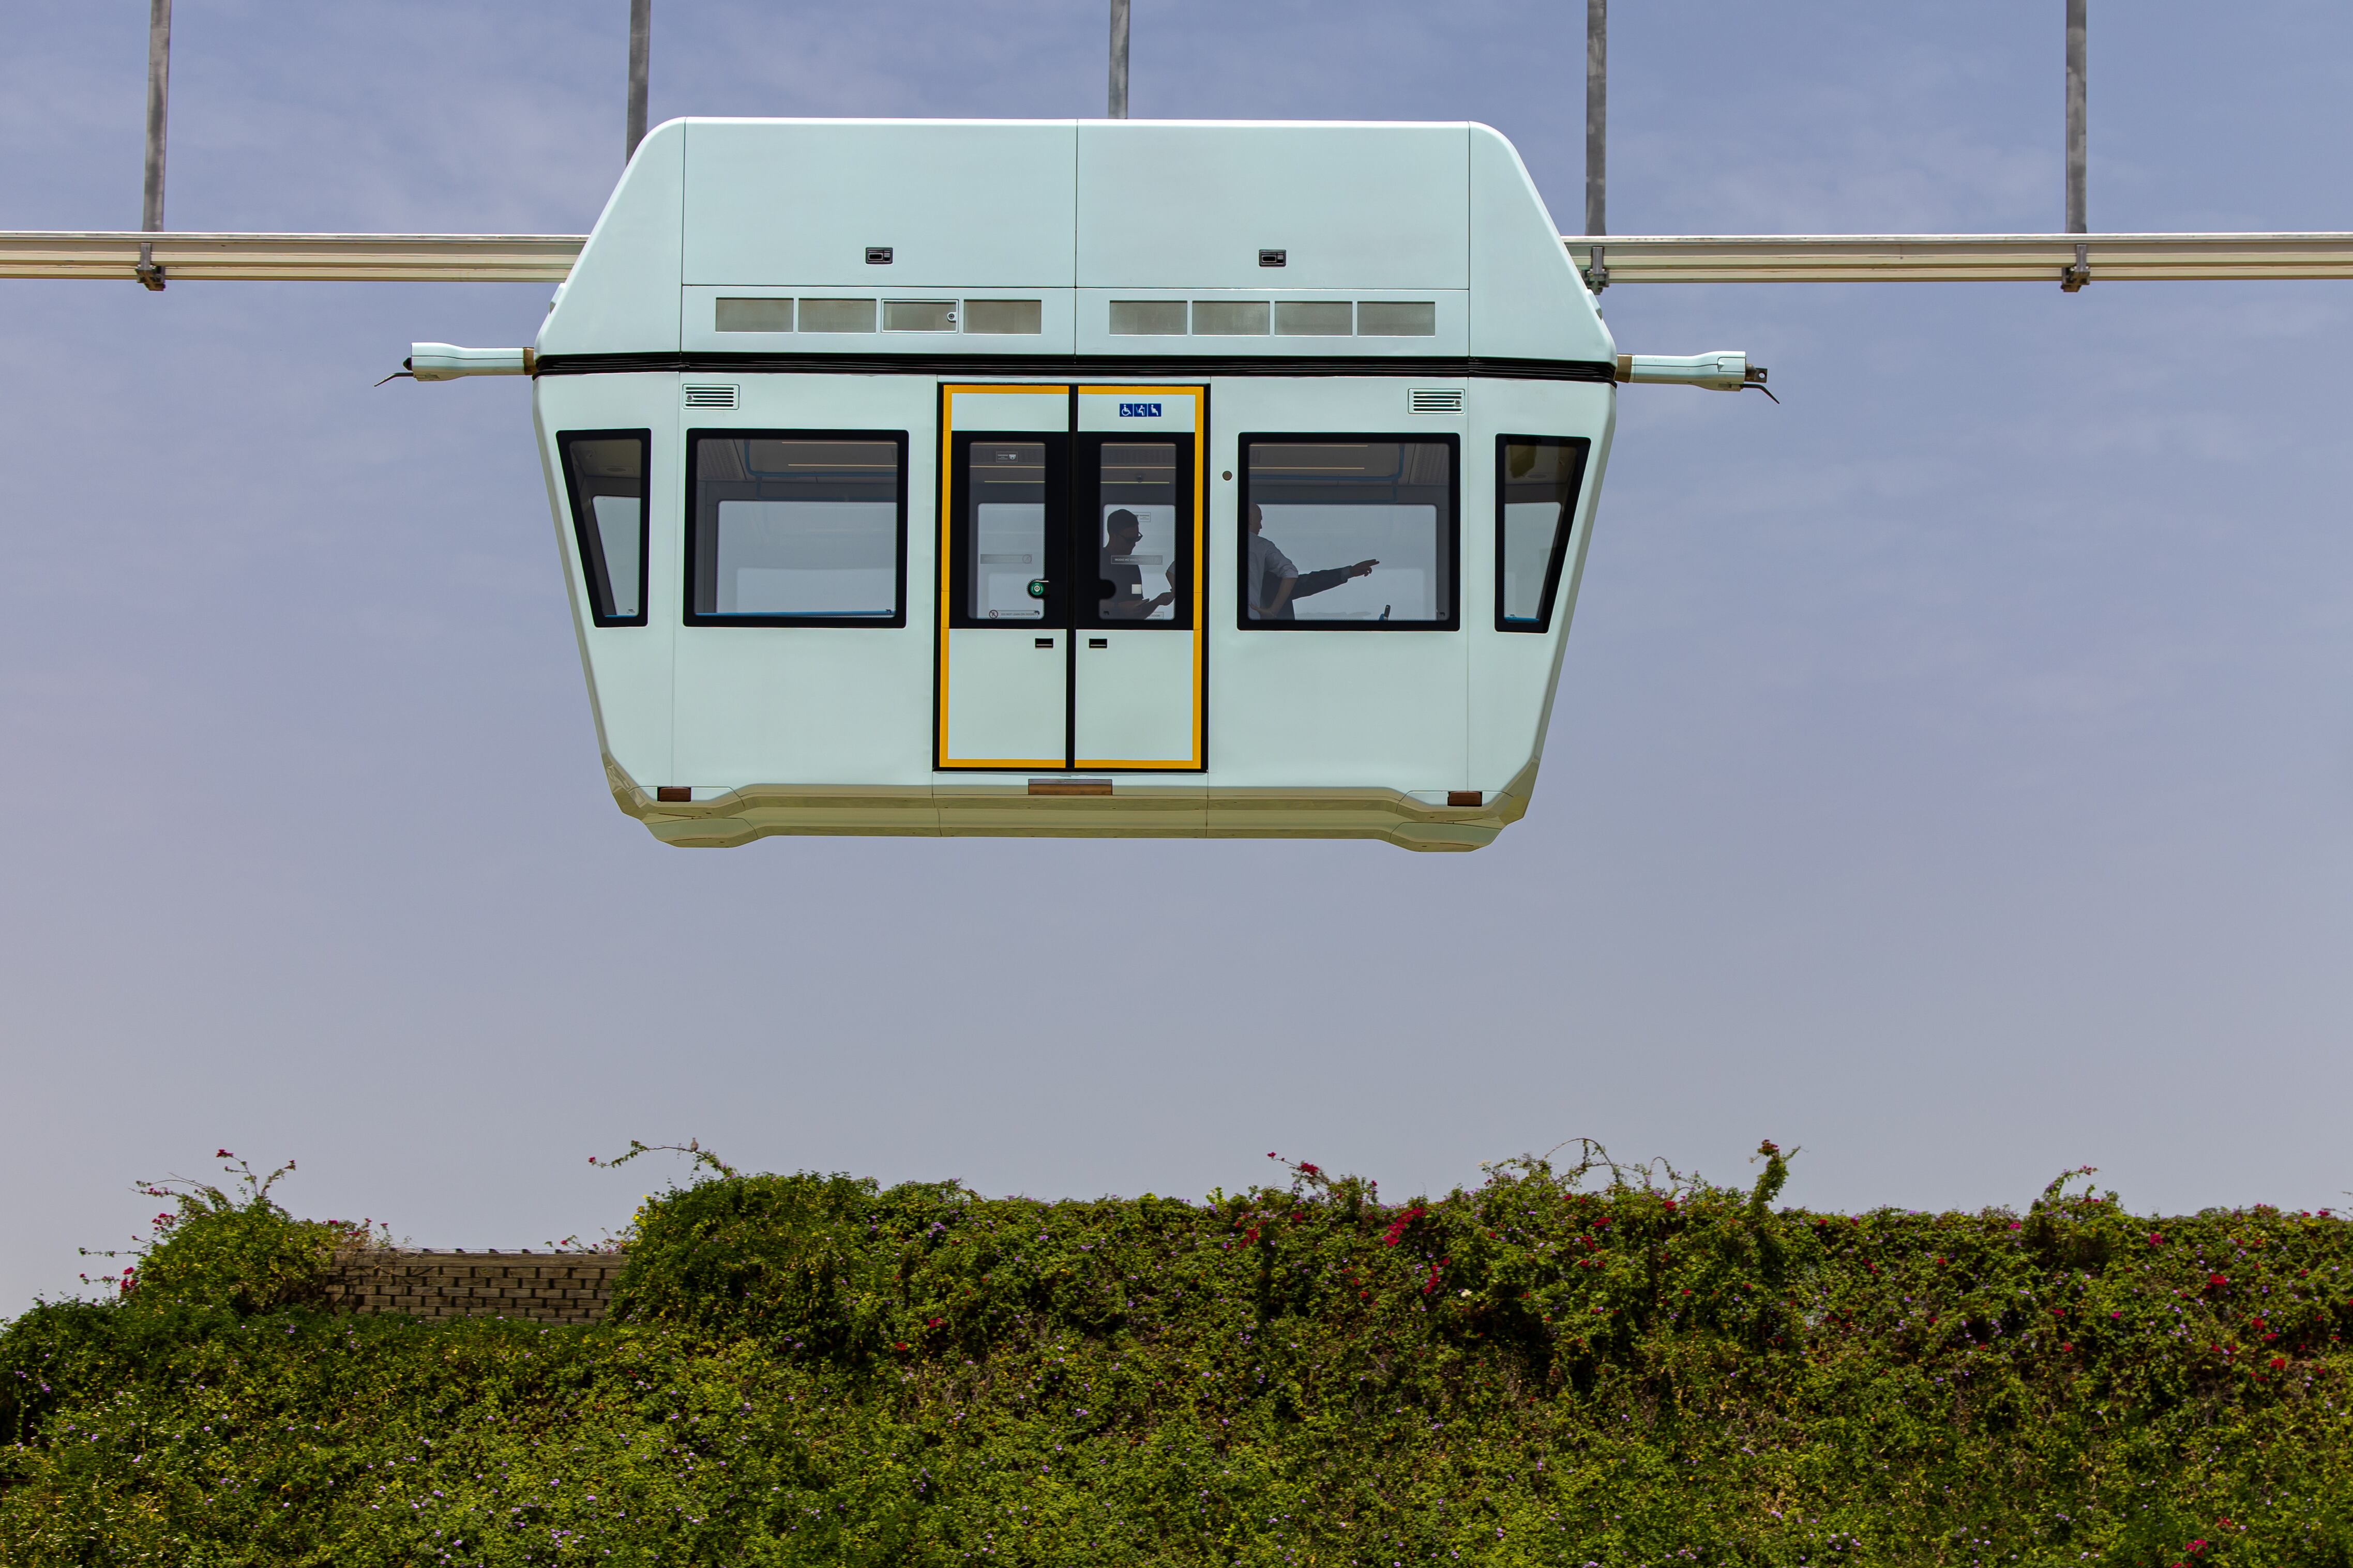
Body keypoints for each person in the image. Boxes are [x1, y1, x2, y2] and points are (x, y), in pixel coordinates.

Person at [1246, 503, 1377, 620]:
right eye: (1260, 520)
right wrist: (1273, 612)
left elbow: (1306, 583)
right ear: (1251, 518)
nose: (1261, 526)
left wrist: (1350, 572)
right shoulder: (1261, 547)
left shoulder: (1269, 577)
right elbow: (1294, 575)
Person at [1099, 508, 1176, 620]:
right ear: (1113, 535)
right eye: (1129, 540)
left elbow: (1138, 613)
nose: (1134, 544)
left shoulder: (1132, 566)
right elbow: (1083, 601)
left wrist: (1157, 602)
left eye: (1137, 539)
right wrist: (1118, 607)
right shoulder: (1097, 561)